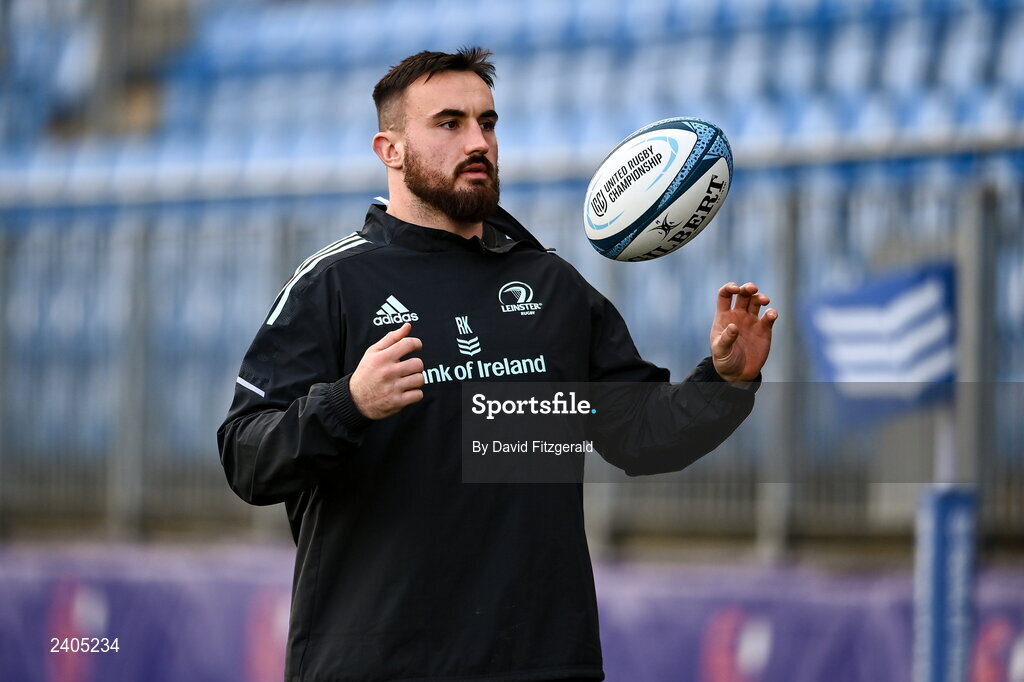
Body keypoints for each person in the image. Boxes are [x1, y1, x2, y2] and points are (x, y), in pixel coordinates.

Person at [218, 47, 777, 682]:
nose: (477, 140)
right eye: (449, 123)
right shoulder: (334, 284)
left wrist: (727, 381)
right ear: (390, 150)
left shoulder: (553, 286)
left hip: (541, 660)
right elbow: (246, 456)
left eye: (487, 123)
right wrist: (348, 403)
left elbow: (639, 435)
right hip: (379, 662)